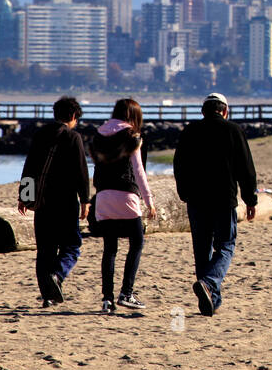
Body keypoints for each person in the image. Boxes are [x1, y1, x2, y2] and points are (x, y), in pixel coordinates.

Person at [173, 93, 258, 317]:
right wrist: (250, 200)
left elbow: (179, 165)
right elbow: (246, 169)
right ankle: (210, 285)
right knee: (226, 246)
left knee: (202, 249)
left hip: (197, 200)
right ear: (225, 111)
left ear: (203, 111)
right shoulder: (233, 131)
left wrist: (184, 193)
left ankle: (211, 299)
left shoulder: (190, 131)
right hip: (224, 199)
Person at [18, 96, 90, 306]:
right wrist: (85, 200)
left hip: (43, 202)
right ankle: (57, 276)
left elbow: (29, 167)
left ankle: (48, 296)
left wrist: (25, 196)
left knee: (45, 250)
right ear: (74, 116)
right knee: (72, 246)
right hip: (66, 201)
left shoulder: (41, 134)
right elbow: (81, 172)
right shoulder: (73, 137)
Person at [91, 98, 156, 315]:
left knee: (110, 249)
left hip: (103, 196)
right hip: (126, 196)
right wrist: (149, 201)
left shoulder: (99, 134)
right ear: (133, 116)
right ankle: (126, 293)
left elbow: (96, 167)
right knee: (136, 243)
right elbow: (138, 172)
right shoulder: (132, 136)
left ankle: (107, 299)